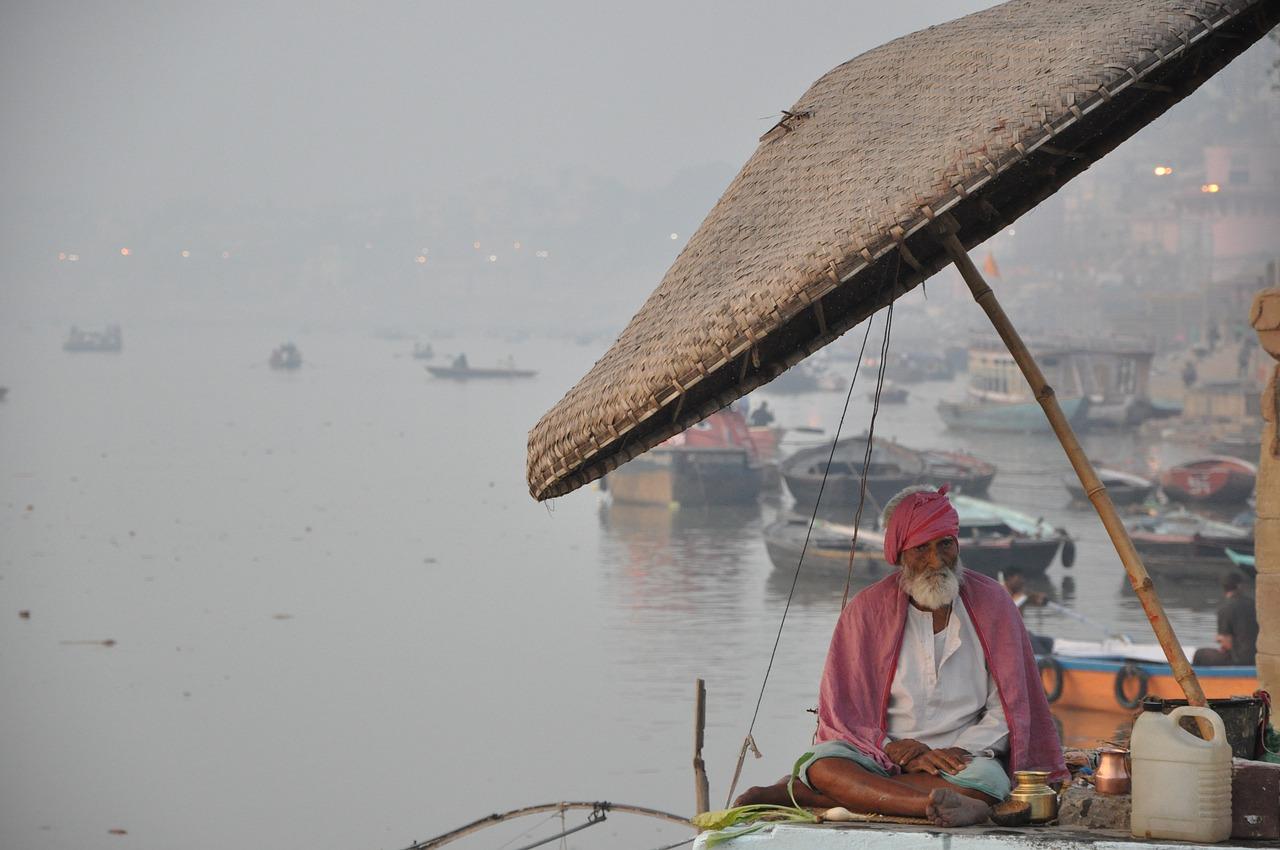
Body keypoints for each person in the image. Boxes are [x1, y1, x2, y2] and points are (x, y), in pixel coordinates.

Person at [736, 485, 1066, 826]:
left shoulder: (993, 603)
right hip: (878, 754)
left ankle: (815, 794)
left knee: (990, 784)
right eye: (921, 548)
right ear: (899, 554)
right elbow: (843, 713)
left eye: (945, 546)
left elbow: (1010, 707)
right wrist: (892, 749)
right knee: (823, 763)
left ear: (957, 545)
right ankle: (934, 805)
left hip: (962, 760)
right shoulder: (865, 611)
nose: (936, 562)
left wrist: (960, 750)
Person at [1192, 573, 1258, 666]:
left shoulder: (1225, 609)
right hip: (1259, 656)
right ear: (1240, 586)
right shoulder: (1254, 604)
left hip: (1239, 660)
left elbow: (1227, 643)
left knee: (1199, 654)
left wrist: (1219, 639)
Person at [1002, 568, 1054, 655]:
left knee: (1049, 642)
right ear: (1009, 579)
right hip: (1006, 637)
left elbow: (1035, 599)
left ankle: (1052, 662)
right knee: (1030, 639)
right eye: (1019, 578)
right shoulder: (1001, 592)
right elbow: (1015, 603)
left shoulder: (1020, 594)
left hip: (1020, 634)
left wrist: (1042, 599)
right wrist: (1025, 596)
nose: (1022, 581)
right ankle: (1045, 662)